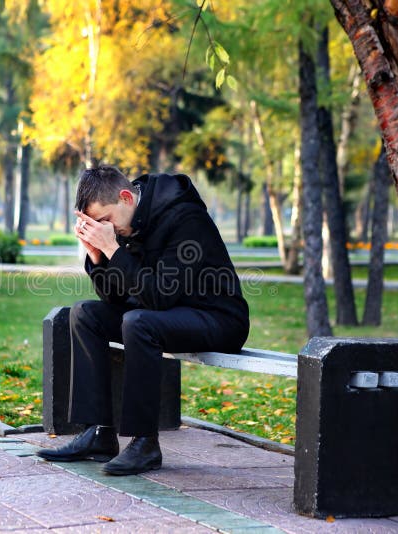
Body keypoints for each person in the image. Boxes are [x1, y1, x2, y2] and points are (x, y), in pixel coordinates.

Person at [36, 165, 250, 476]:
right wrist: (98, 257)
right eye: (95, 225)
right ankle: (98, 433)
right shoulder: (127, 221)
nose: (105, 229)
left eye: (105, 220)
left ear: (125, 198)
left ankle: (145, 443)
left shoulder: (184, 218)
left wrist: (112, 248)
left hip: (217, 317)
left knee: (139, 323)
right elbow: (117, 299)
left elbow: (159, 297)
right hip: (167, 313)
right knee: (85, 313)